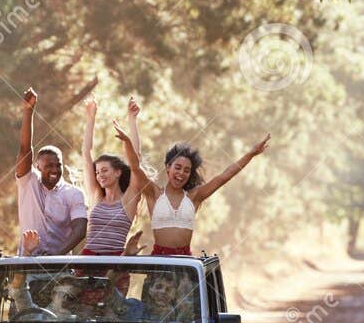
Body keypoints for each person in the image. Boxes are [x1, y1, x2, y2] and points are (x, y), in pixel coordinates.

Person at [116, 97, 271, 255]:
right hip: (160, 262)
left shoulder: (194, 196)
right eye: (177, 167)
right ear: (168, 168)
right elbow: (135, 166)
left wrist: (251, 154)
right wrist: (130, 129)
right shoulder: (154, 193)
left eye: (186, 170)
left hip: (185, 264)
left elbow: (225, 175)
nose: (181, 173)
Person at [15, 87, 87, 255]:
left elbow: (80, 229)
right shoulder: (28, 182)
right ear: (38, 167)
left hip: (59, 266)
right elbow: (25, 149)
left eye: (58, 165)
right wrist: (28, 112)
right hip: (27, 264)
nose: (55, 169)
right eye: (49, 166)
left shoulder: (73, 193)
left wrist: (57, 255)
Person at [79, 97, 150, 257]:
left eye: (104, 170)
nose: (99, 175)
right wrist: (90, 118)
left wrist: (132, 120)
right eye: (97, 172)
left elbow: (135, 162)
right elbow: (86, 154)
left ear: (118, 172)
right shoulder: (96, 196)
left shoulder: (128, 200)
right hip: (88, 263)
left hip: (116, 266)